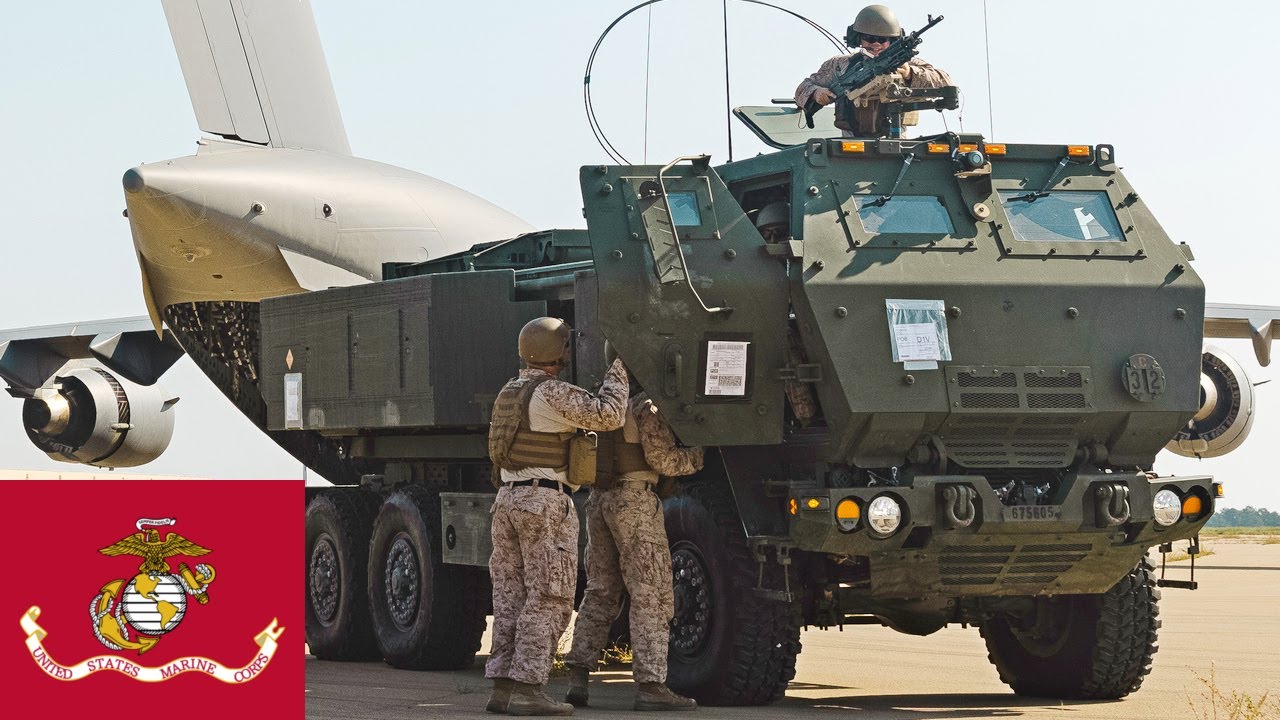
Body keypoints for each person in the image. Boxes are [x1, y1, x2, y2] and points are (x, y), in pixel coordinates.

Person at [485, 317, 629, 717]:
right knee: (549, 597)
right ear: (559, 353)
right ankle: (529, 690)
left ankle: (503, 688)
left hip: (508, 500)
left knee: (511, 598)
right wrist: (619, 367)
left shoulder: (509, 391)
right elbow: (609, 415)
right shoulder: (551, 392)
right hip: (543, 503)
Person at [564, 385, 703, 712]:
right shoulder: (644, 407)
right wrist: (699, 455)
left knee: (600, 591)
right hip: (634, 501)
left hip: (599, 500)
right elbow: (663, 459)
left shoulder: (603, 402)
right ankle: (651, 686)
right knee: (650, 593)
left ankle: (578, 679)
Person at [794, 4, 952, 138]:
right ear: (859, 38)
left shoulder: (906, 64)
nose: (876, 44)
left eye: (882, 39)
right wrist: (817, 93)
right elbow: (802, 89)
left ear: (892, 40)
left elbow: (945, 82)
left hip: (898, 146)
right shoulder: (840, 66)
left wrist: (910, 73)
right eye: (870, 38)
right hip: (850, 148)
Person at [755, 202, 817, 428]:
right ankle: (805, 417)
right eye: (766, 235)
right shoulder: (758, 268)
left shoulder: (803, 264)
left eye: (778, 233)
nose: (772, 241)